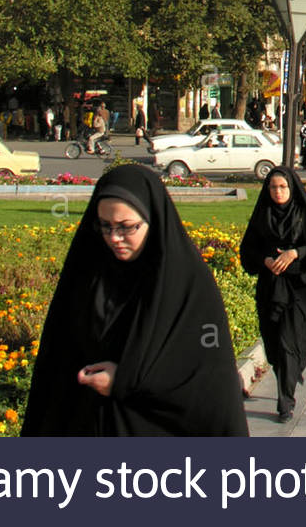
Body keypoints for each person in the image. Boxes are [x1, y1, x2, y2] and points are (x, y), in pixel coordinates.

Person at [22, 164, 248, 436]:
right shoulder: (87, 274)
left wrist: (126, 381)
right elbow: (58, 362)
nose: (115, 238)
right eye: (105, 226)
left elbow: (209, 384)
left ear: (152, 219)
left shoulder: (187, 284)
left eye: (126, 227)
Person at [239, 167, 306, 422]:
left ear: (292, 188)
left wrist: (294, 253)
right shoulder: (263, 215)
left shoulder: (303, 213)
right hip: (271, 287)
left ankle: (285, 402)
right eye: (273, 187)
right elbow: (249, 250)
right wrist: (266, 260)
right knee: (273, 346)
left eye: (283, 187)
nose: (278, 192)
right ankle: (288, 378)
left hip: (301, 288)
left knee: (288, 341)